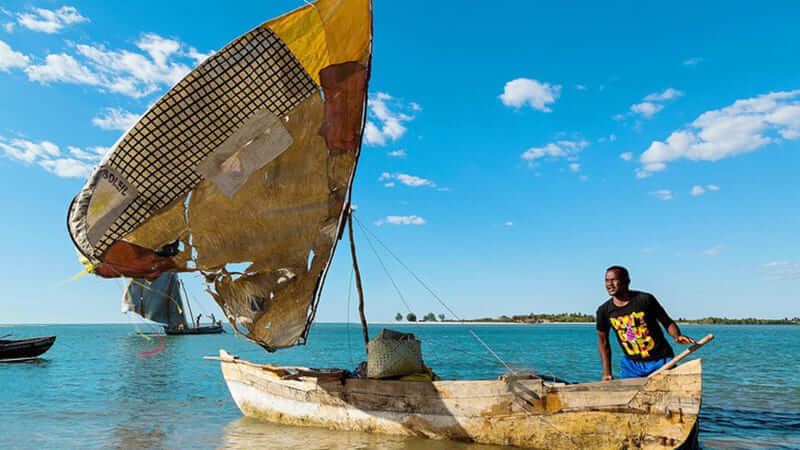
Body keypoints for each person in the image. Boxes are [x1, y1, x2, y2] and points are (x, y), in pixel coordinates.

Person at [596, 266, 695, 380]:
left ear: (626, 281)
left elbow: (666, 322)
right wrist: (607, 372)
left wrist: (677, 336)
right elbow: (603, 342)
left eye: (614, 280)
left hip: (660, 361)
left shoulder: (645, 300)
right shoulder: (604, 311)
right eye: (607, 280)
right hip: (632, 366)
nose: (609, 284)